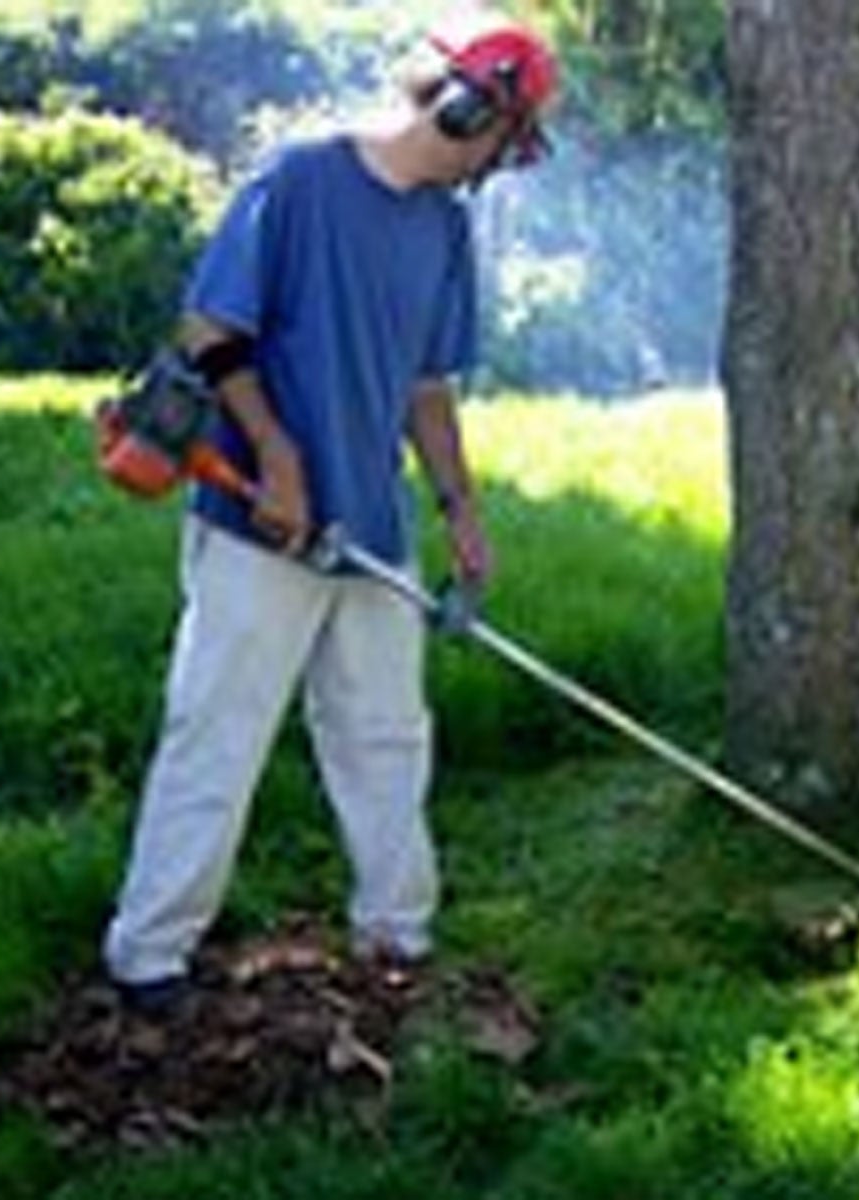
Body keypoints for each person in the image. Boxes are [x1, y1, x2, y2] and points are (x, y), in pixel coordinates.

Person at [102, 16, 560, 1008]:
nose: (497, 163)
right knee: (218, 733)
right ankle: (148, 955)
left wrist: (461, 511)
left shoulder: (444, 227)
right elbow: (210, 327)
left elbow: (427, 385)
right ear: (464, 102)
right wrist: (275, 455)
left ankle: (397, 935)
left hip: (370, 530)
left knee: (387, 736)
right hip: (260, 523)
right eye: (503, 137)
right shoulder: (302, 179)